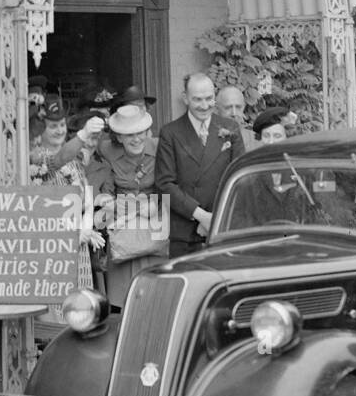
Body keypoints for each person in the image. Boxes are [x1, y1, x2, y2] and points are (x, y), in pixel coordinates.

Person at [155, 72, 243, 257]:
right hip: (185, 231)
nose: (204, 106)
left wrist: (216, 218)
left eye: (209, 99)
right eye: (197, 99)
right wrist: (201, 216)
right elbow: (165, 184)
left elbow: (239, 177)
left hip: (222, 227)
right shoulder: (170, 133)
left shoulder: (230, 128)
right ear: (185, 98)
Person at [89, 104, 162, 308]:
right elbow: (98, 178)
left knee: (155, 294)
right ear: (119, 137)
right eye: (129, 134)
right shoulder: (105, 150)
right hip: (122, 225)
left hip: (154, 221)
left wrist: (157, 203)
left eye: (140, 133)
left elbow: (171, 183)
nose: (136, 139)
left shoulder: (161, 147)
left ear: (147, 132)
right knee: (123, 298)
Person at [216, 85, 251, 152]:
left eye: (238, 107)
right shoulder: (205, 139)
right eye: (228, 107)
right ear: (217, 108)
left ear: (244, 107)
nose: (234, 113)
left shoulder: (256, 141)